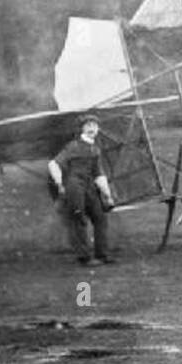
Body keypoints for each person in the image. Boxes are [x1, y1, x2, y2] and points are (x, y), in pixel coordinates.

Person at [48, 113, 116, 264]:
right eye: (88, 125)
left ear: (98, 128)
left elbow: (98, 174)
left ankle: (102, 255)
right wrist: (60, 183)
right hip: (74, 186)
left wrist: (107, 194)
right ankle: (84, 257)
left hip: (90, 186)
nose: (92, 128)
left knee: (100, 217)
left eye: (94, 125)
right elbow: (53, 164)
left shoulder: (95, 149)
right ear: (82, 129)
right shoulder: (73, 146)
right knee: (79, 219)